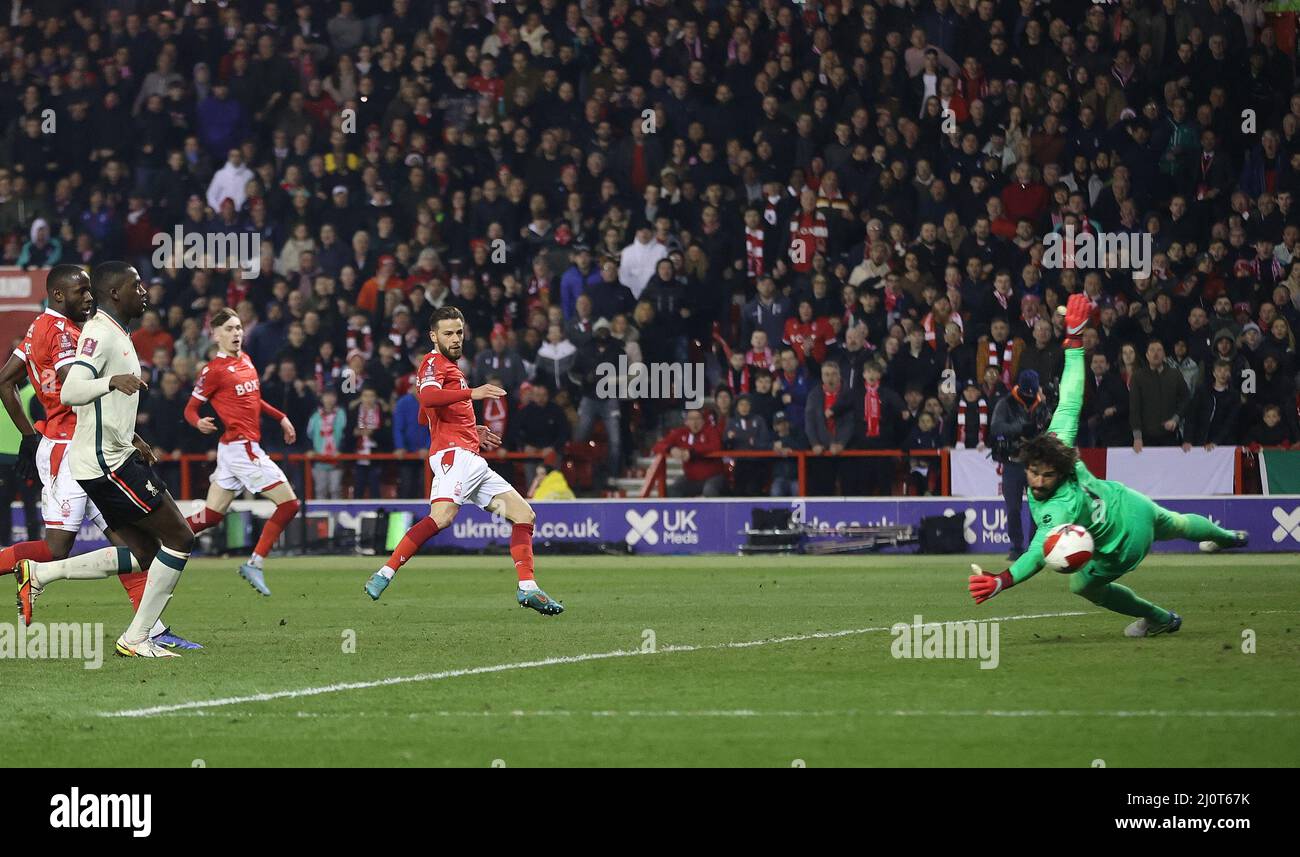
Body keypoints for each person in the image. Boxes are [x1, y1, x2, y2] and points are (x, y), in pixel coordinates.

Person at [968, 295, 1248, 636]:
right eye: (1034, 472)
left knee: (1081, 586)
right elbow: (1070, 395)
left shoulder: (1058, 509)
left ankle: (1160, 619)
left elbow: (1037, 554)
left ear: (1059, 471)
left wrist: (1002, 580)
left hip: (1122, 544)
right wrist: (1073, 339)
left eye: (1046, 475)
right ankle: (1229, 536)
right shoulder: (1058, 443)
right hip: (1131, 504)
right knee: (1177, 523)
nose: (1038, 481)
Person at [1, 264, 198, 650]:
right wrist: (31, 434)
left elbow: (9, 379)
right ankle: (41, 576)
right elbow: (74, 389)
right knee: (58, 547)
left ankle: (148, 629)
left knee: (136, 546)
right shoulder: (63, 334)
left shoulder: (43, 325)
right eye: (81, 291)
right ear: (59, 295)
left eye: (91, 290)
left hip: (82, 443)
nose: (88, 298)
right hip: (73, 446)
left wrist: (29, 435)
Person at [362, 307, 563, 615]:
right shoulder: (432, 361)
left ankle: (528, 588)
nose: (455, 339)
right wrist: (473, 393)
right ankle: (384, 573)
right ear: (434, 336)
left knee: (524, 515)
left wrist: (471, 426)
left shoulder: (448, 368)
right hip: (454, 457)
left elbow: (422, 414)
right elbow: (428, 400)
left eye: (459, 332)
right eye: (448, 333)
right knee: (441, 517)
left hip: (471, 458)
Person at [183, 308, 301, 596]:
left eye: (238, 328)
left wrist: (281, 417)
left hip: (232, 450)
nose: (236, 333)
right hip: (241, 448)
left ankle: (163, 537)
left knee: (211, 515)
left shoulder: (247, 360)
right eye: (229, 329)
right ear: (215, 335)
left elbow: (255, 400)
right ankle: (255, 563)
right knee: (289, 505)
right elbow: (190, 408)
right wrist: (198, 422)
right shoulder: (214, 371)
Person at [990, 369, 1051, 560]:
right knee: (1013, 508)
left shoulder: (1042, 405)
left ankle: (1034, 547)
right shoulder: (1005, 403)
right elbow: (996, 428)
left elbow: (1051, 429)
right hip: (1013, 462)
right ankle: (1016, 546)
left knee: (1037, 507)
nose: (1030, 396)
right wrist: (1021, 428)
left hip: (1035, 463)